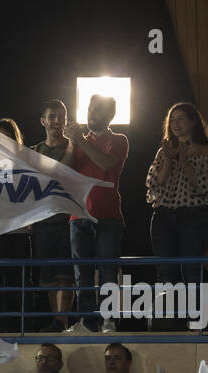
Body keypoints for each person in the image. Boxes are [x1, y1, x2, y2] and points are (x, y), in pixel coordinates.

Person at [65, 94, 128, 323]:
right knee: (81, 274)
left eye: (99, 110)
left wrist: (80, 140)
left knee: (108, 271)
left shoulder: (119, 139)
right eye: (90, 109)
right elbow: (64, 170)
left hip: (108, 216)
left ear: (110, 115)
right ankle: (86, 323)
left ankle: (109, 321)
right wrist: (72, 143)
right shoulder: (79, 140)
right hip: (78, 214)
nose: (92, 114)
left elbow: (107, 163)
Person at [145, 102, 208, 287]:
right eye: (172, 119)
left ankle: (193, 316)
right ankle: (169, 316)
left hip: (192, 215)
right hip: (163, 214)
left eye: (181, 118)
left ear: (193, 122)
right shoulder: (165, 150)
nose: (175, 123)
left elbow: (203, 186)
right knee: (165, 273)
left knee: (192, 273)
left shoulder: (206, 150)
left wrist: (185, 162)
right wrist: (168, 160)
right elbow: (154, 183)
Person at [29, 100, 75, 328]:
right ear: (43, 121)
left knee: (65, 273)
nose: (57, 121)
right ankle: (56, 320)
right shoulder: (34, 151)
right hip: (42, 220)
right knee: (47, 275)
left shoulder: (74, 146)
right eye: (52, 116)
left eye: (61, 116)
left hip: (67, 219)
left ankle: (62, 319)